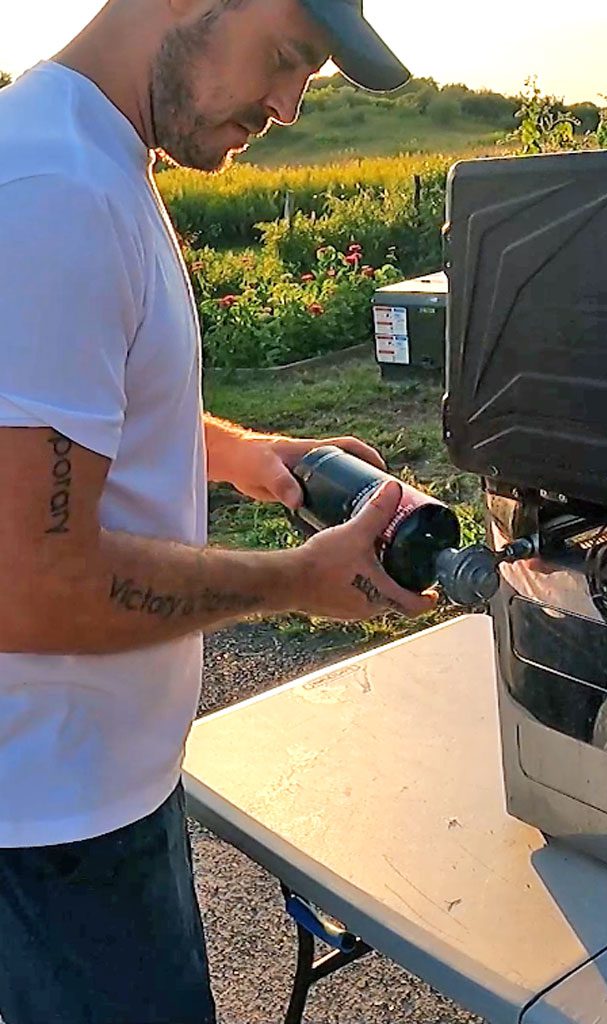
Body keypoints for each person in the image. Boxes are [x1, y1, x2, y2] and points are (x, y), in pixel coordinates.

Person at [0, 2, 428, 1021]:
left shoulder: (83, 157)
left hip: (93, 797)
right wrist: (297, 581)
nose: (285, 106)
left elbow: (80, 419)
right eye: (287, 59)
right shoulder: (56, 191)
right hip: (59, 826)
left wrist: (245, 455)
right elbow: (28, 585)